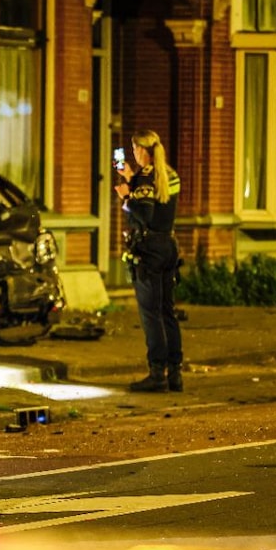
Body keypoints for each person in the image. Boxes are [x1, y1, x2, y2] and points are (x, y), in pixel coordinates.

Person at [113, 129, 184, 393]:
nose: (133, 154)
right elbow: (158, 204)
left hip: (149, 250)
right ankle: (175, 373)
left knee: (150, 313)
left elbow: (145, 214)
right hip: (169, 246)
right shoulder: (170, 175)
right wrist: (132, 179)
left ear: (142, 150)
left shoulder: (146, 176)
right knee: (168, 311)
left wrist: (125, 197)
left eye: (134, 150)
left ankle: (157, 373)